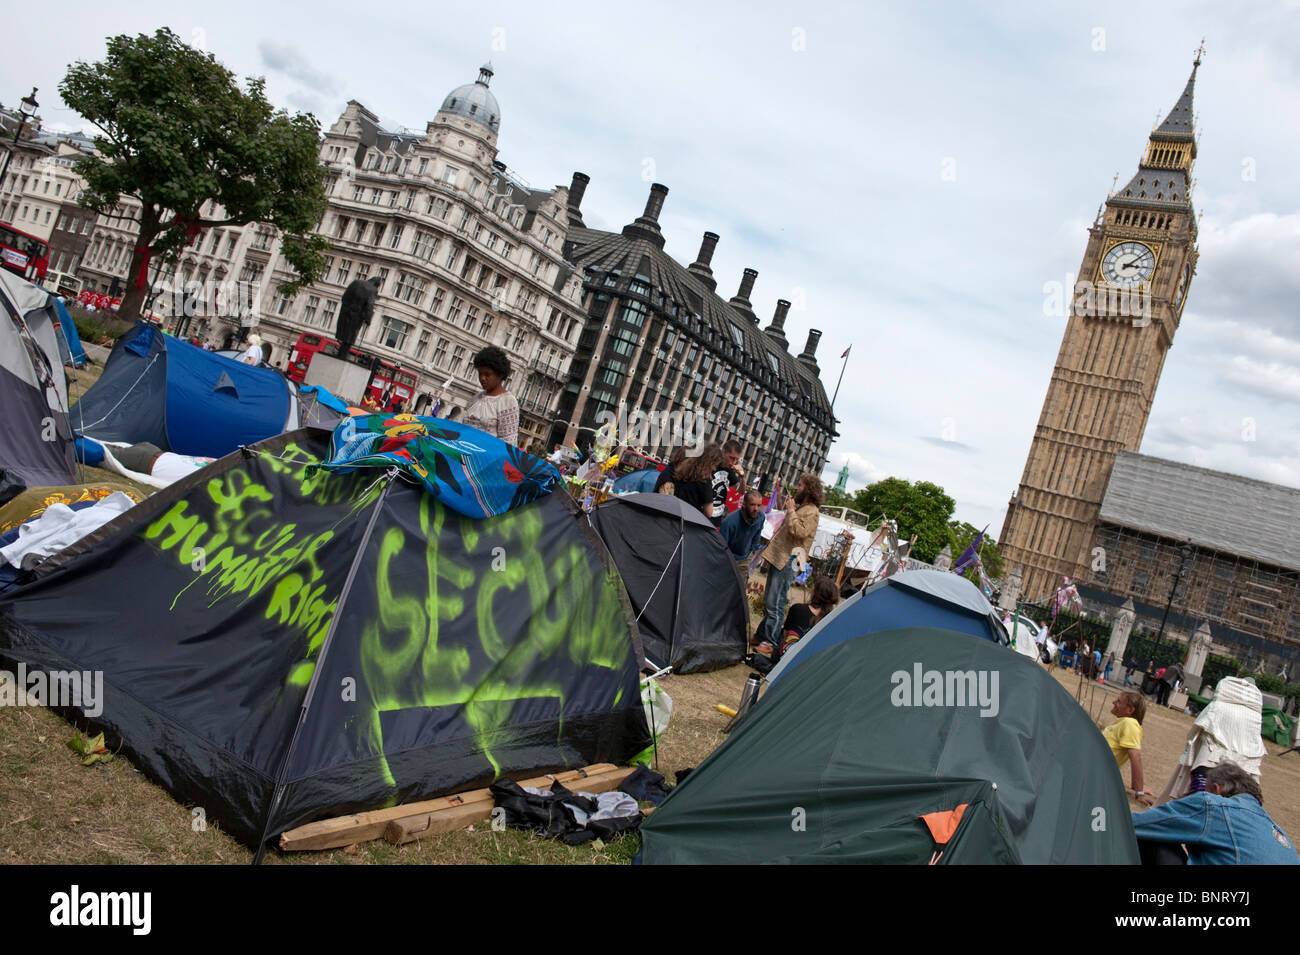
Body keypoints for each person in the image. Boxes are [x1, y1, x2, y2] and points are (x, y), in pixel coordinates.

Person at [1132, 762, 1299, 865]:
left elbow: (1133, 824)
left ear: (1216, 789)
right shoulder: (1280, 835)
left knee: (1155, 837)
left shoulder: (1212, 805)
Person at [1157, 676, 1267, 805]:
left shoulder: (1219, 706)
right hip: (1238, 772)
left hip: (1208, 763)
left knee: (1200, 788)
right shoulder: (1254, 717)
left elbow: (1195, 734)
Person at [752, 473, 824, 651]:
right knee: (770, 598)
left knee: (775, 601)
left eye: (800, 485)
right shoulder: (803, 508)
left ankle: (770, 642)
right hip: (782, 558)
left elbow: (799, 532)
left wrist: (791, 510)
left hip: (789, 560)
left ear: (808, 489)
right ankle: (762, 635)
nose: (796, 488)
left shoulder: (812, 512)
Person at [748, 575, 840, 673]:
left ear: (815, 592)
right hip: (808, 667)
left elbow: (785, 635)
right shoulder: (832, 621)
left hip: (785, 658)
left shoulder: (798, 609)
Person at [1103, 691, 1153, 807]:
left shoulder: (1130, 724)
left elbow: (1135, 757)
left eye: (1119, 702)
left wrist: (1139, 791)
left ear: (1130, 710)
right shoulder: (1121, 722)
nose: (1113, 702)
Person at [462, 346, 520, 446]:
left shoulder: (508, 402)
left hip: (485, 458)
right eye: (480, 374)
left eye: (487, 374)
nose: (482, 378)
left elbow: (508, 444)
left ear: (500, 374)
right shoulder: (475, 398)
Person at [669, 444, 726, 519]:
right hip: (687, 520)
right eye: (715, 465)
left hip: (673, 512)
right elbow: (709, 512)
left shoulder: (686, 468)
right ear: (710, 462)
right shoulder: (704, 479)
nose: (714, 469)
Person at [708, 440, 745, 528]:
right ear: (723, 451)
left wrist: (742, 477)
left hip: (716, 518)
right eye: (732, 458)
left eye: (736, 459)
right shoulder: (710, 464)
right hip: (703, 514)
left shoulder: (729, 470)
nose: (734, 462)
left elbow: (741, 491)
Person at [720, 490, 765, 560]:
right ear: (744, 504)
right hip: (727, 558)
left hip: (745, 557)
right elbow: (721, 546)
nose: (756, 509)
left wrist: (753, 549)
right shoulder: (729, 521)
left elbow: (758, 533)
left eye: (759, 505)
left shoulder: (761, 516)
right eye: (752, 505)